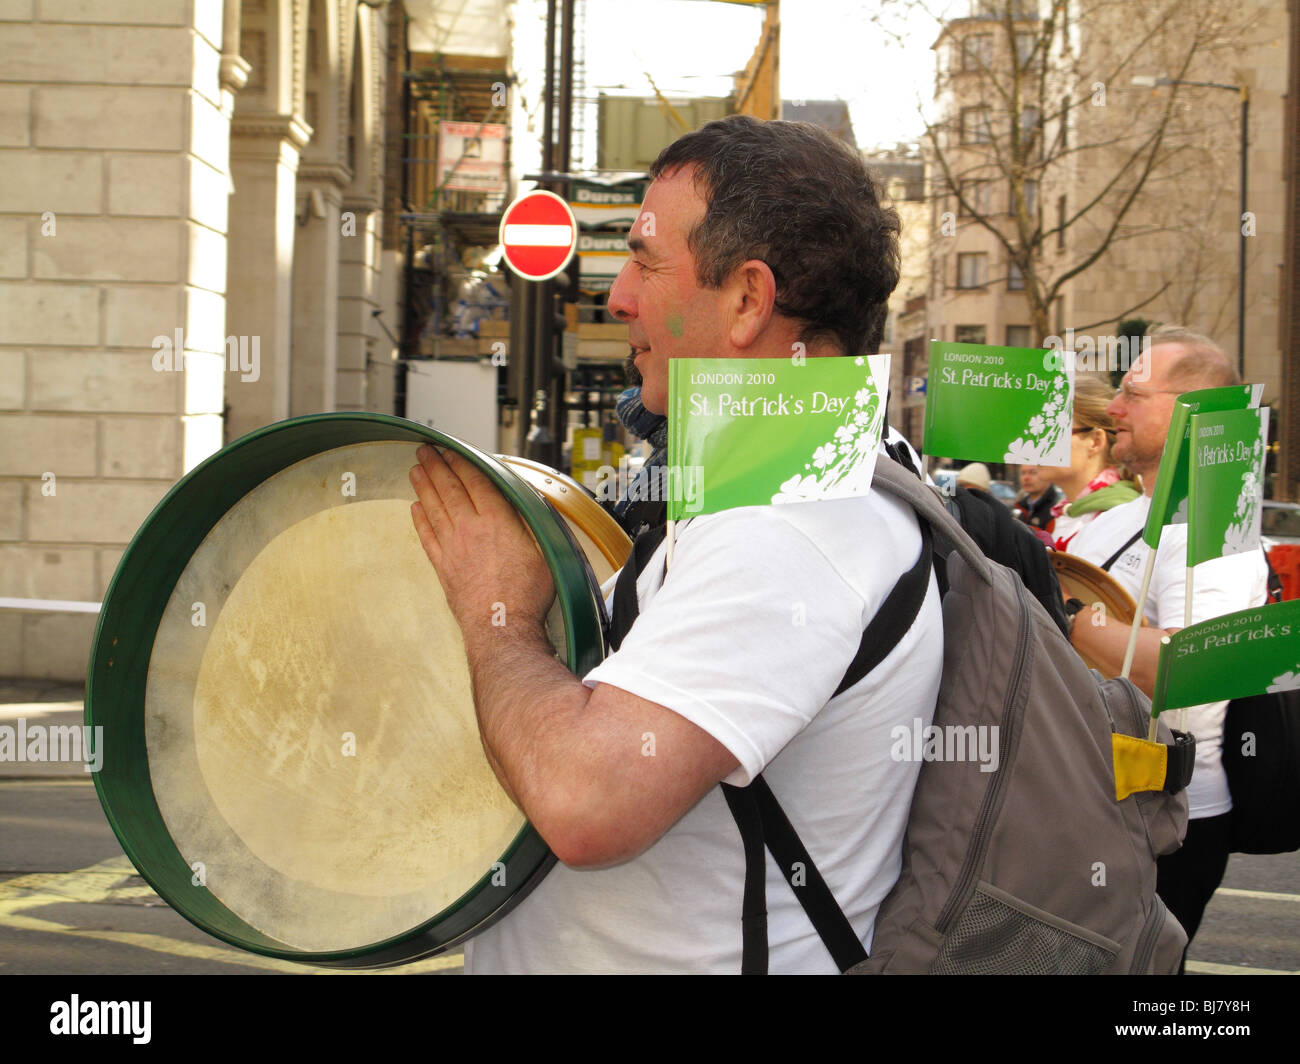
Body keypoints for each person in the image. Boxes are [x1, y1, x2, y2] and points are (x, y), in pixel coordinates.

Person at [408, 115, 944, 973]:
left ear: (747, 301)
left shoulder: (793, 526)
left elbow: (586, 804)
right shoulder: (795, 477)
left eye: (647, 260)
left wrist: (493, 614)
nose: (619, 295)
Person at [1065, 327, 1268, 963]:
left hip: (1163, 820)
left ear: (1188, 411)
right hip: (1088, 798)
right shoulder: (1117, 519)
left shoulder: (1216, 529)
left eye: (1132, 394)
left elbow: (1197, 673)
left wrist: (1067, 620)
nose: (1114, 410)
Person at [1044, 374, 1140, 551]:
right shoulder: (1069, 513)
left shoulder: (1118, 517)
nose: (1038, 442)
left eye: (1054, 430)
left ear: (1095, 442)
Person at [1012, 464, 1063, 530]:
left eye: (1033, 472)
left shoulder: (1057, 511)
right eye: (1023, 473)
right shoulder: (1018, 507)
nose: (1026, 478)